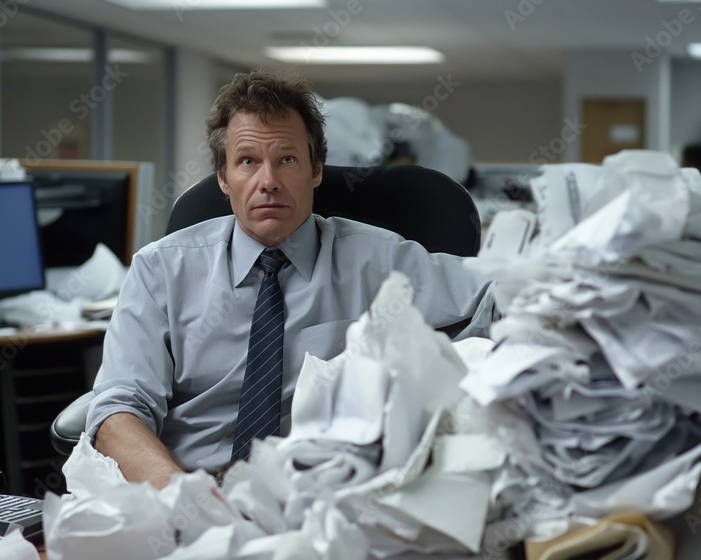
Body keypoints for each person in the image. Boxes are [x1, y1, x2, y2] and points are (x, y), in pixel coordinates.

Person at [85, 70, 495, 489]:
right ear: (223, 179)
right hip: (182, 490)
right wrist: (186, 498)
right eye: (248, 162)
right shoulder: (161, 270)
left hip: (321, 497)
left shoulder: (380, 260)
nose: (269, 182)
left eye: (287, 159)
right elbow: (118, 410)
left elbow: (506, 296)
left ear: (316, 169)